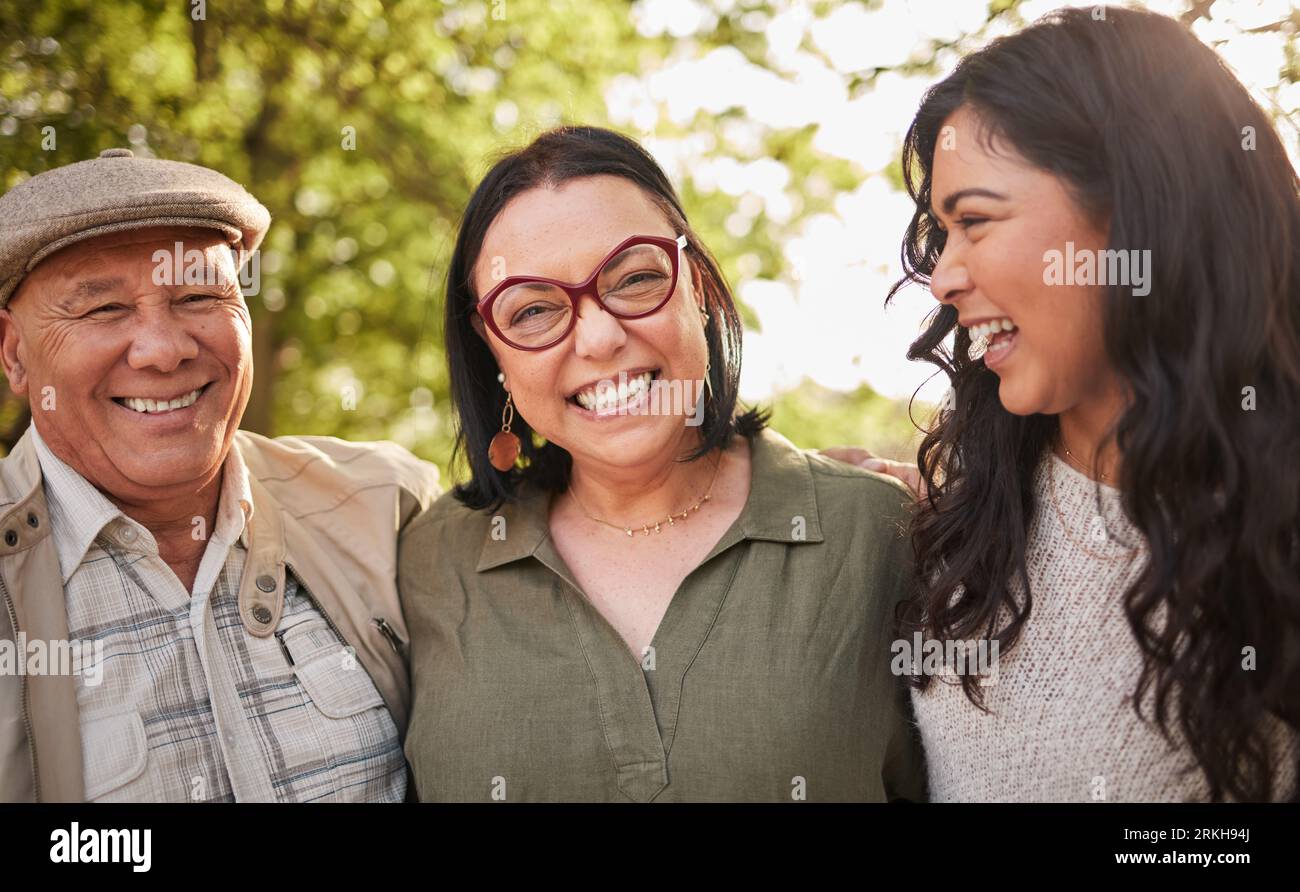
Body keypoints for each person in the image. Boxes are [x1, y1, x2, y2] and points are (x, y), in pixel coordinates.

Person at [837, 6, 1299, 801]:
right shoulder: (963, 516)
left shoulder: (1274, 535)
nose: (943, 277)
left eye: (975, 220)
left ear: (1140, 214)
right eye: (941, 233)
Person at [398, 125, 925, 802]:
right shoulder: (426, 563)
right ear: (491, 350)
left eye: (636, 279)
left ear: (697, 284)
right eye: (531, 310)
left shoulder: (879, 533)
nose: (599, 336)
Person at [0, 149, 439, 801]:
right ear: (14, 355)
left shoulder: (388, 510)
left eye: (200, 295)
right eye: (103, 310)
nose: (165, 349)